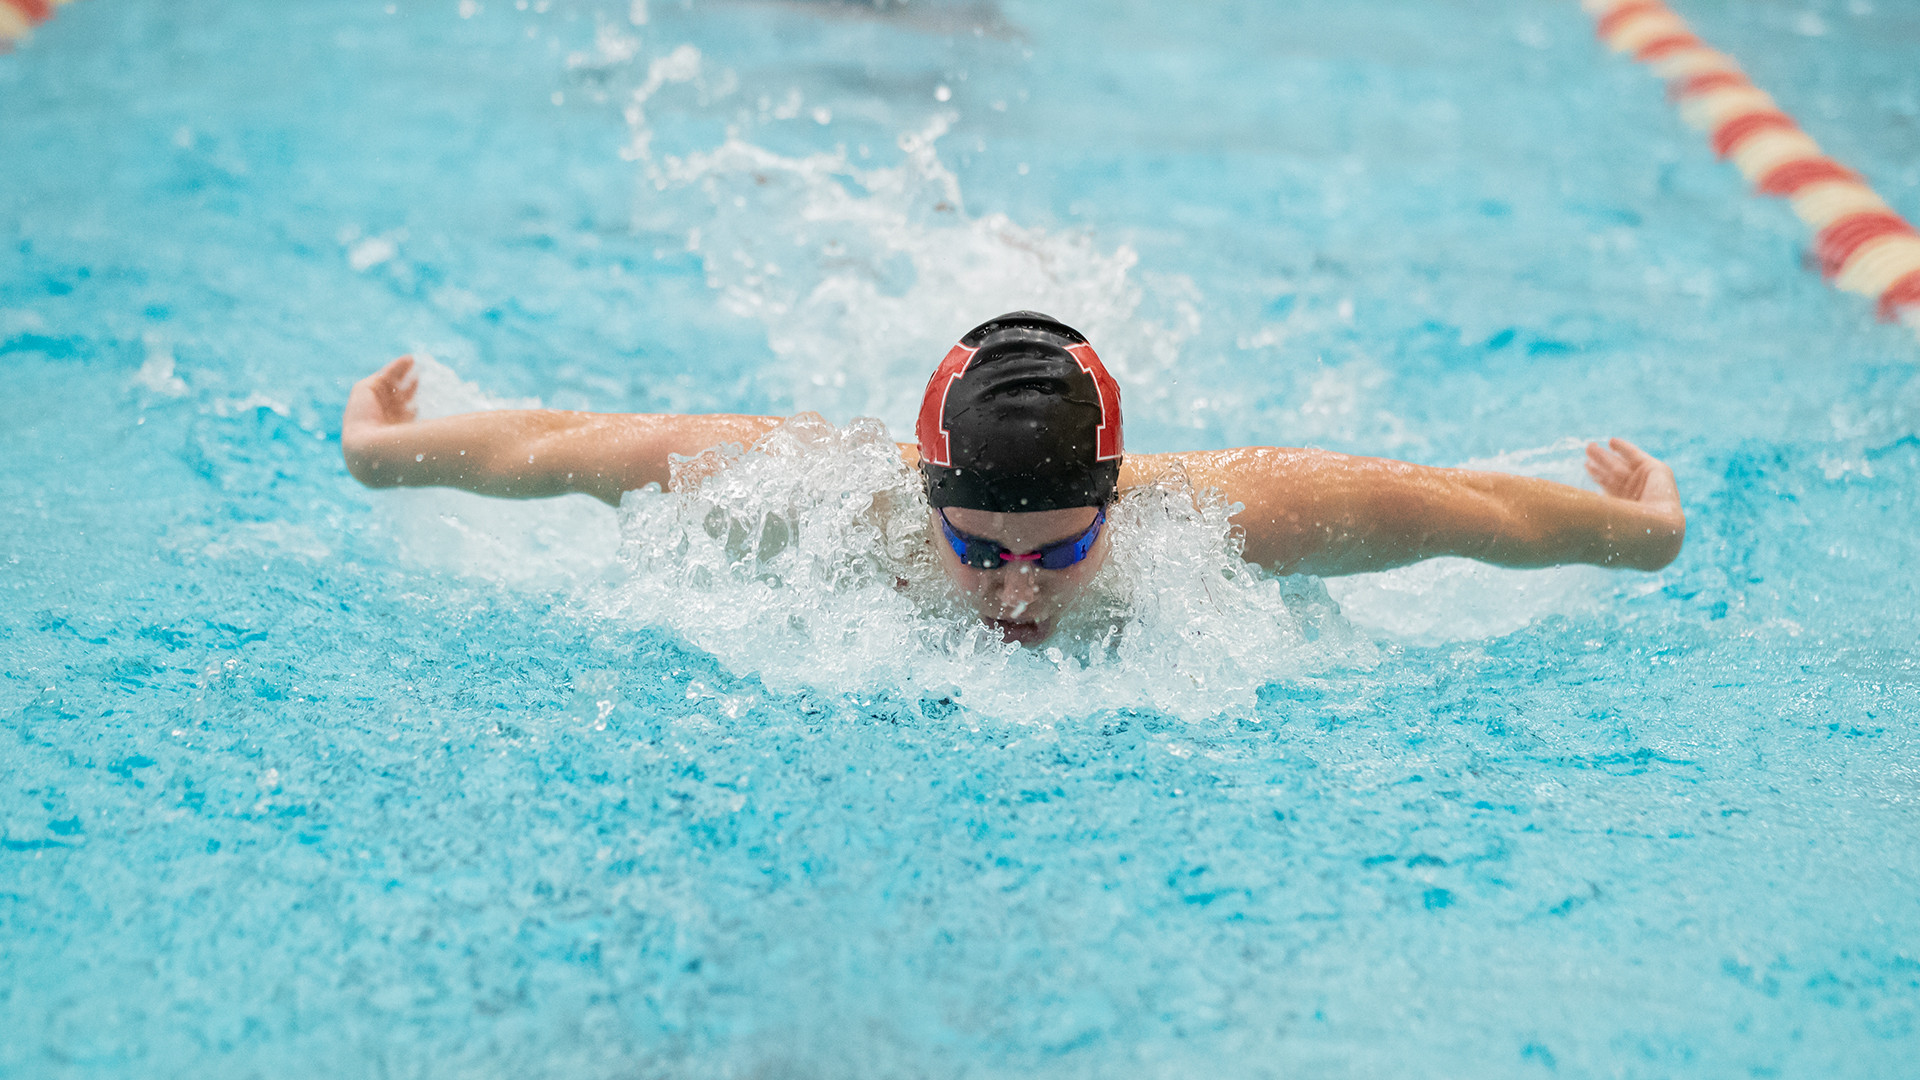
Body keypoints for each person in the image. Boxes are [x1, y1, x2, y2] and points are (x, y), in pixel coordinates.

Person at [341, 311, 1685, 646]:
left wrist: (1647, 533)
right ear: (926, 501)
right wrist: (379, 450)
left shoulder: (1225, 518)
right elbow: (559, 451)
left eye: (1056, 552)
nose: (1016, 597)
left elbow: (1477, 515)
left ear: (1115, 504)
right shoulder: (816, 500)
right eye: (980, 550)